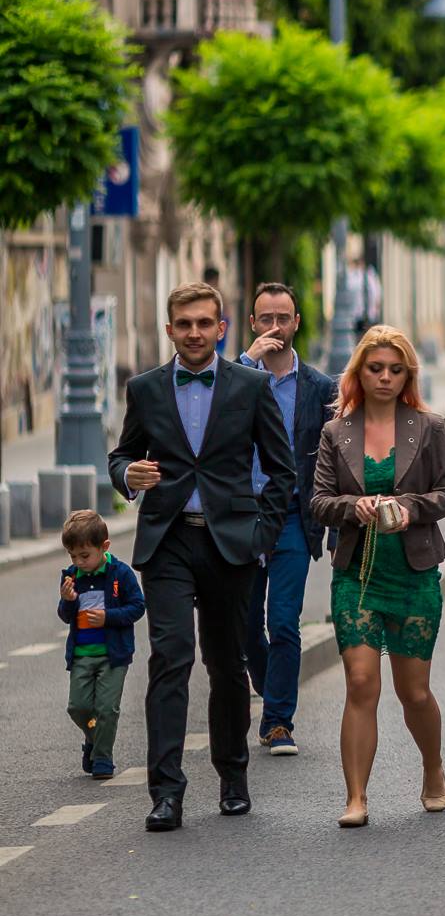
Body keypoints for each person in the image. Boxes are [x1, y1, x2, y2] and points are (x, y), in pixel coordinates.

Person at [108, 281, 294, 833]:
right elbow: (122, 454)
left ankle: (233, 777)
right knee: (170, 658)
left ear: (222, 328)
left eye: (203, 323)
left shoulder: (251, 386)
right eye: (183, 324)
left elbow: (282, 471)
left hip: (231, 542)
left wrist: (260, 534)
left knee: (227, 664)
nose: (193, 332)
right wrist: (126, 475)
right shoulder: (144, 389)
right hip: (167, 541)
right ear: (170, 330)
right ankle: (166, 792)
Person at [311, 327, 445, 828]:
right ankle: (356, 797)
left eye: (396, 370)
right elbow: (319, 502)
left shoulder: (430, 426)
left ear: (407, 376)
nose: (385, 378)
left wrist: (408, 508)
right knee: (359, 682)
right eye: (376, 368)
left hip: (413, 573)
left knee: (413, 692)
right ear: (359, 372)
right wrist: (358, 507)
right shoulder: (337, 432)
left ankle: (433, 767)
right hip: (357, 573)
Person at [236, 283, 339, 759]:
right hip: (241, 516)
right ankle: (266, 679)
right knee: (242, 625)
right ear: (253, 323)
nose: (274, 326)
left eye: (283, 317)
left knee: (283, 620)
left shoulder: (320, 389)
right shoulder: (235, 377)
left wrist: (337, 528)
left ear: (298, 322)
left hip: (294, 517)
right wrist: (246, 361)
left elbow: (337, 464)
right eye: (265, 318)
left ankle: (278, 721)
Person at [57, 510, 146, 780]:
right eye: (73, 556)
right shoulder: (72, 577)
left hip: (112, 655)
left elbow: (137, 607)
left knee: (107, 708)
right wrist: (68, 600)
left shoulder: (120, 574)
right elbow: (65, 616)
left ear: (104, 547)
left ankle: (103, 758)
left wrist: (108, 617)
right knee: (79, 707)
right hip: (82, 655)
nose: (79, 562)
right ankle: (93, 738)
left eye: (85, 556)